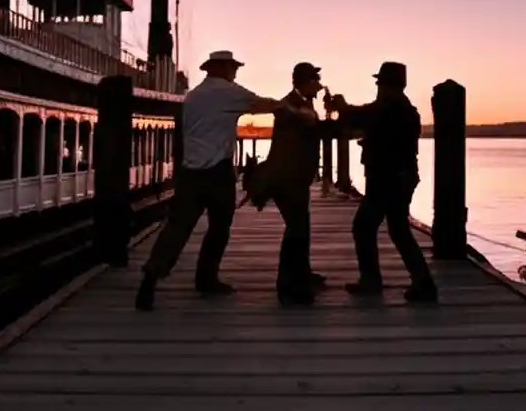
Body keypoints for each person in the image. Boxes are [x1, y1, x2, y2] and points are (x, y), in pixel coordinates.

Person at [136, 50, 313, 311]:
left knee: (178, 227)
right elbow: (264, 104)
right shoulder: (229, 92)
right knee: (219, 228)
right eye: (233, 67)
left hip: (189, 172)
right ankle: (206, 278)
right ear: (222, 68)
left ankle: (152, 274)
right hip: (217, 172)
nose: (235, 72)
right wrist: (295, 111)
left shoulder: (193, 95)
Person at [326, 62, 438, 303]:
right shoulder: (402, 109)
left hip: (387, 179)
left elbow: (363, 116)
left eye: (380, 84)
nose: (378, 88)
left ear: (387, 86)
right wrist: (345, 110)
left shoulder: (392, 109)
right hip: (399, 178)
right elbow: (365, 117)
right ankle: (422, 284)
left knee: (364, 227)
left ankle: (373, 281)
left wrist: (343, 108)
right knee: (398, 230)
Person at [264, 62, 331, 306]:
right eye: (316, 80)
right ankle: (288, 286)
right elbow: (300, 126)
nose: (319, 85)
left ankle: (302, 274)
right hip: (287, 178)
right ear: (306, 81)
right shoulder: (289, 105)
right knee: (296, 230)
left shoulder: (305, 103)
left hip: (298, 178)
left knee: (301, 227)